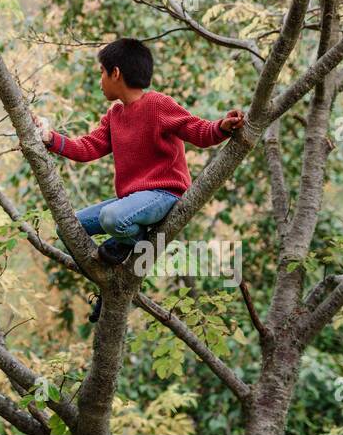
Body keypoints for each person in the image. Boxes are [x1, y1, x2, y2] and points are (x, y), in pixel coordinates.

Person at [33, 37, 245, 269]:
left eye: (101, 72)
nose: (99, 80)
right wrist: (49, 138)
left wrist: (222, 126)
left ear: (115, 73)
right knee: (67, 228)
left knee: (111, 217)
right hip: (132, 203)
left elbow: (196, 130)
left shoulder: (156, 104)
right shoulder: (115, 115)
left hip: (164, 194)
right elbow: (87, 148)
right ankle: (107, 275)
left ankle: (138, 243)